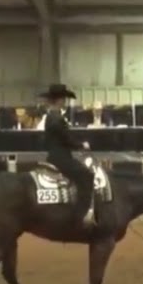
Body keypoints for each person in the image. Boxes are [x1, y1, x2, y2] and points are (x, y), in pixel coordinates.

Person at [39, 83, 99, 230]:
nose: (65, 101)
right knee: (87, 175)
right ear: (59, 100)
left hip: (54, 155)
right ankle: (81, 216)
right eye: (64, 98)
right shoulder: (57, 118)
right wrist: (81, 145)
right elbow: (67, 139)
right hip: (61, 158)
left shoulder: (50, 116)